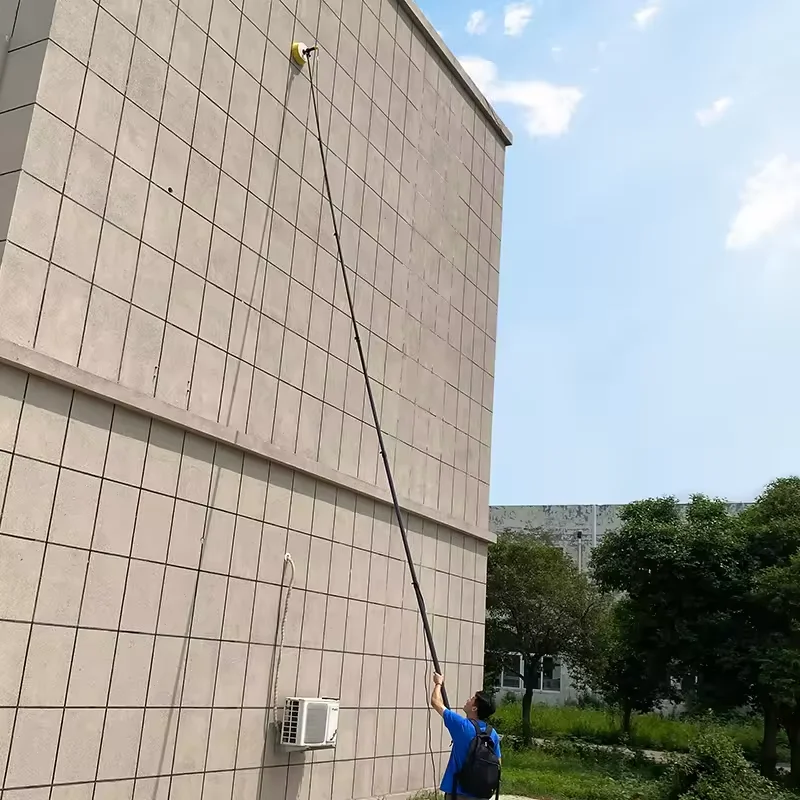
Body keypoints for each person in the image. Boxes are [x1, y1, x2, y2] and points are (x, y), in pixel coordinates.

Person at [430, 672, 502, 798]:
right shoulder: (492, 733)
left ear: (475, 708)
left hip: (458, 791)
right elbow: (498, 762)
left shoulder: (462, 725)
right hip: (481, 793)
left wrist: (438, 683)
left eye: (472, 699)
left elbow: (436, 702)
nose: (468, 700)